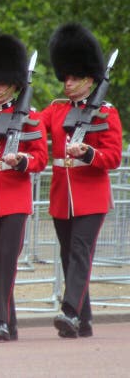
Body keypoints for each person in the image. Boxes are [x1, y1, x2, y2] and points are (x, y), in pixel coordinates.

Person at [43, 23, 123, 338]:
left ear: (90, 79)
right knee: (68, 255)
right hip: (63, 195)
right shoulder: (57, 111)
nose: (68, 83)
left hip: (91, 196)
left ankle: (70, 311)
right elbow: (34, 127)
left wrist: (89, 153)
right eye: (65, 77)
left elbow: (113, 157)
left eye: (74, 78)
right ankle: (84, 320)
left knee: (79, 251)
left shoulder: (106, 113)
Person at [0, 32, 48, 342]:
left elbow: (41, 157)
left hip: (15, 199)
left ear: (14, 83)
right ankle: (9, 322)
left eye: (1, 83)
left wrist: (22, 161)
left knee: (6, 260)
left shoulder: (29, 117)